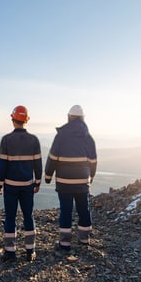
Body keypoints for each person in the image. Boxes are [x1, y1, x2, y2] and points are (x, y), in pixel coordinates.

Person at [44, 104, 97, 253]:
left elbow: (53, 158)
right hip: (82, 182)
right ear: (83, 118)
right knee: (84, 209)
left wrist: (48, 176)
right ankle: (84, 239)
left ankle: (65, 243)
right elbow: (93, 161)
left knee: (66, 210)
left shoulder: (61, 136)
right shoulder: (88, 138)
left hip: (64, 182)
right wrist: (91, 177)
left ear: (69, 117)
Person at [0, 105, 43, 262]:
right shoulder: (34, 140)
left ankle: (10, 252)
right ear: (26, 120)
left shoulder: (6, 140)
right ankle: (30, 251)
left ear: (13, 119)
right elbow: (38, 164)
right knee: (28, 216)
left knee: (10, 217)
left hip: (10, 186)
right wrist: (37, 182)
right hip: (27, 186)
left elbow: (2, 164)